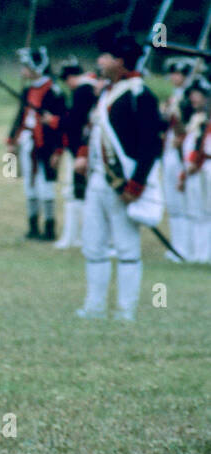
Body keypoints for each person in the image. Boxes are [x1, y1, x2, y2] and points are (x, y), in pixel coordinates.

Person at [75, 35, 163, 321]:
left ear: (120, 61)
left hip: (123, 182)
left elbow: (150, 144)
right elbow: (96, 128)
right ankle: (94, 306)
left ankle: (126, 310)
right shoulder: (107, 93)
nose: (100, 61)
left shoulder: (140, 95)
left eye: (105, 56)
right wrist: (84, 154)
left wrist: (136, 184)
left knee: (126, 248)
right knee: (93, 245)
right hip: (99, 179)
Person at [7, 46, 67, 240]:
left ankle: (49, 229)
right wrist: (12, 138)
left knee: (46, 185)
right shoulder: (27, 91)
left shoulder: (54, 91)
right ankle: (33, 226)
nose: (23, 70)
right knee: (30, 185)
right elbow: (20, 116)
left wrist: (58, 150)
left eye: (26, 66)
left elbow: (62, 122)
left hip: (47, 145)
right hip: (27, 143)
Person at [53, 57, 101, 250]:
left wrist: (56, 121)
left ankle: (75, 236)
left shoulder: (82, 91)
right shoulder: (89, 88)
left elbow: (75, 120)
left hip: (80, 149)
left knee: (75, 193)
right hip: (81, 148)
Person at [159, 57, 195, 260]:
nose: (175, 77)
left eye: (180, 74)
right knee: (172, 203)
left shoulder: (192, 99)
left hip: (184, 152)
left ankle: (186, 247)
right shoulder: (171, 98)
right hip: (169, 150)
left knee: (184, 202)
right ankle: (176, 245)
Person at [180, 80, 210, 263]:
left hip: (204, 166)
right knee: (196, 212)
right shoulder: (197, 118)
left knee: (206, 213)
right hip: (196, 168)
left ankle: (204, 254)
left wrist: (195, 162)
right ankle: (197, 252)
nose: (193, 97)